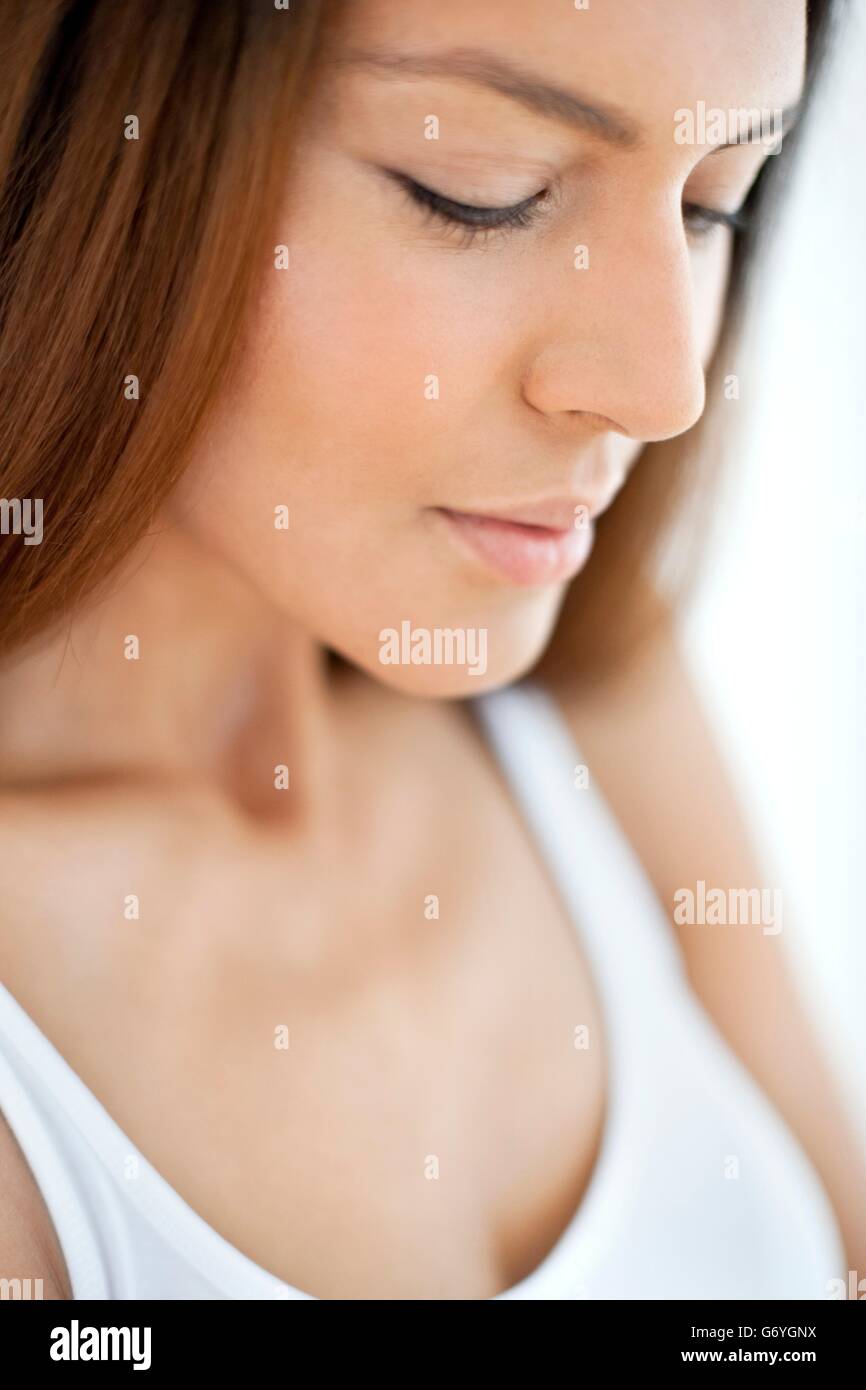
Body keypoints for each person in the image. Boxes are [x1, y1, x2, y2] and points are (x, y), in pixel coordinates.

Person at [0, 0, 863, 1301]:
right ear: (112, 139)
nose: (660, 386)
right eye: (484, 194)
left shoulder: (588, 701)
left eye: (712, 204)